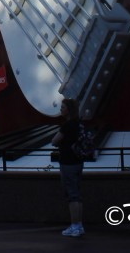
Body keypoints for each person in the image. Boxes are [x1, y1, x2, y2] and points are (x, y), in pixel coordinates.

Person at [53, 98, 85, 237]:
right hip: (78, 162)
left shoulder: (67, 126)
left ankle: (75, 226)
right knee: (77, 195)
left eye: (63, 106)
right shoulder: (78, 124)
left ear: (69, 110)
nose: (61, 109)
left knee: (72, 196)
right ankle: (79, 225)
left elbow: (54, 141)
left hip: (68, 163)